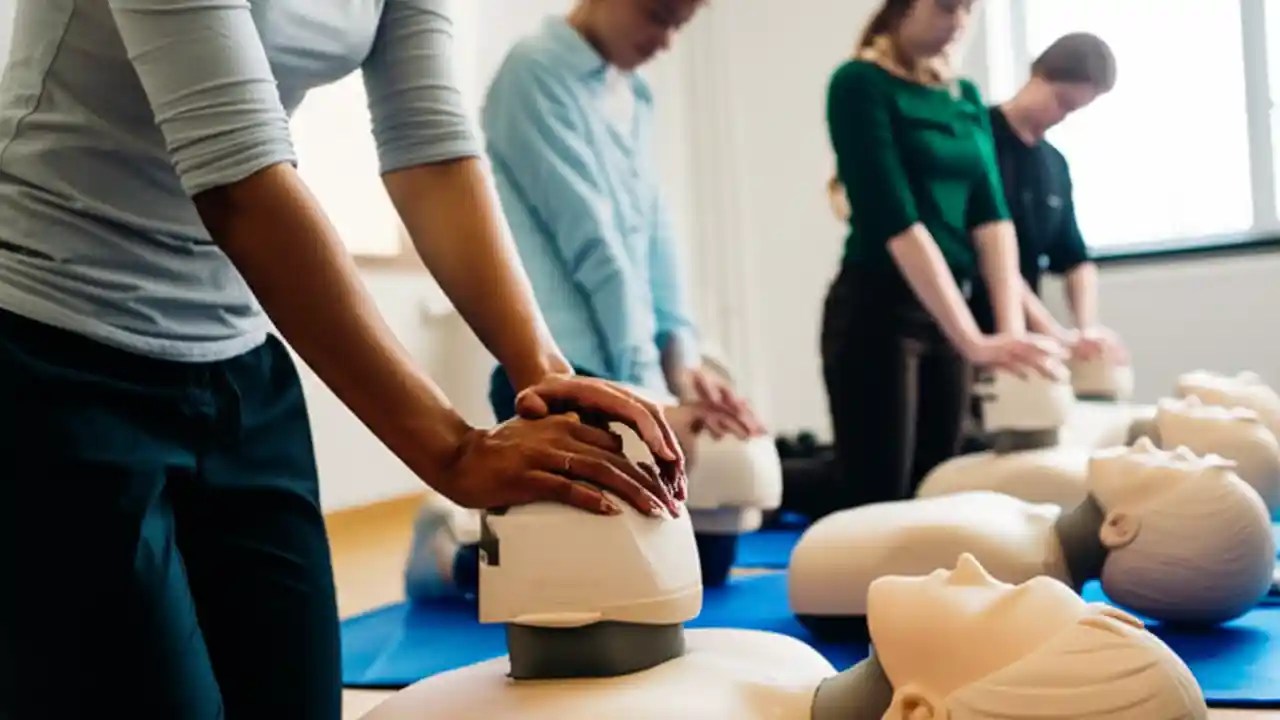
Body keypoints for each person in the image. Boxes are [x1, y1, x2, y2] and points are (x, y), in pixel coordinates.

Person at [0, 1, 691, 718]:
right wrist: (454, 452)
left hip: (237, 360)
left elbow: (430, 145)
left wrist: (545, 371)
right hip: (53, 349)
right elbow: (239, 177)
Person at [480, 0, 766, 458]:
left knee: (726, 465)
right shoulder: (535, 72)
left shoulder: (636, 95)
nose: (667, 41)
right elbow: (596, 247)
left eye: (680, 25)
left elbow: (656, 238)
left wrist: (685, 368)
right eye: (657, 16)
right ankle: (455, 529)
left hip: (628, 366)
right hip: (561, 369)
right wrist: (649, 395)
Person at [822, 0, 1061, 514]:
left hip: (946, 312)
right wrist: (973, 339)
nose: (958, 24)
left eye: (968, 10)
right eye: (946, 8)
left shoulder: (965, 97)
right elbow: (896, 221)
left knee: (938, 486)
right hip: (877, 311)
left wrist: (1011, 333)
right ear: (903, 8)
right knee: (878, 493)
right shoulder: (859, 85)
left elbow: (992, 219)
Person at [974, 32, 1128, 364]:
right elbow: (991, 255)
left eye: (1074, 110)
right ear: (1038, 73)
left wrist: (1086, 329)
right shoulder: (977, 135)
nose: (1061, 116)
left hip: (1021, 343)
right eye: (1061, 101)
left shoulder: (1054, 165)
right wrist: (1054, 334)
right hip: (968, 328)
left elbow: (1074, 257)